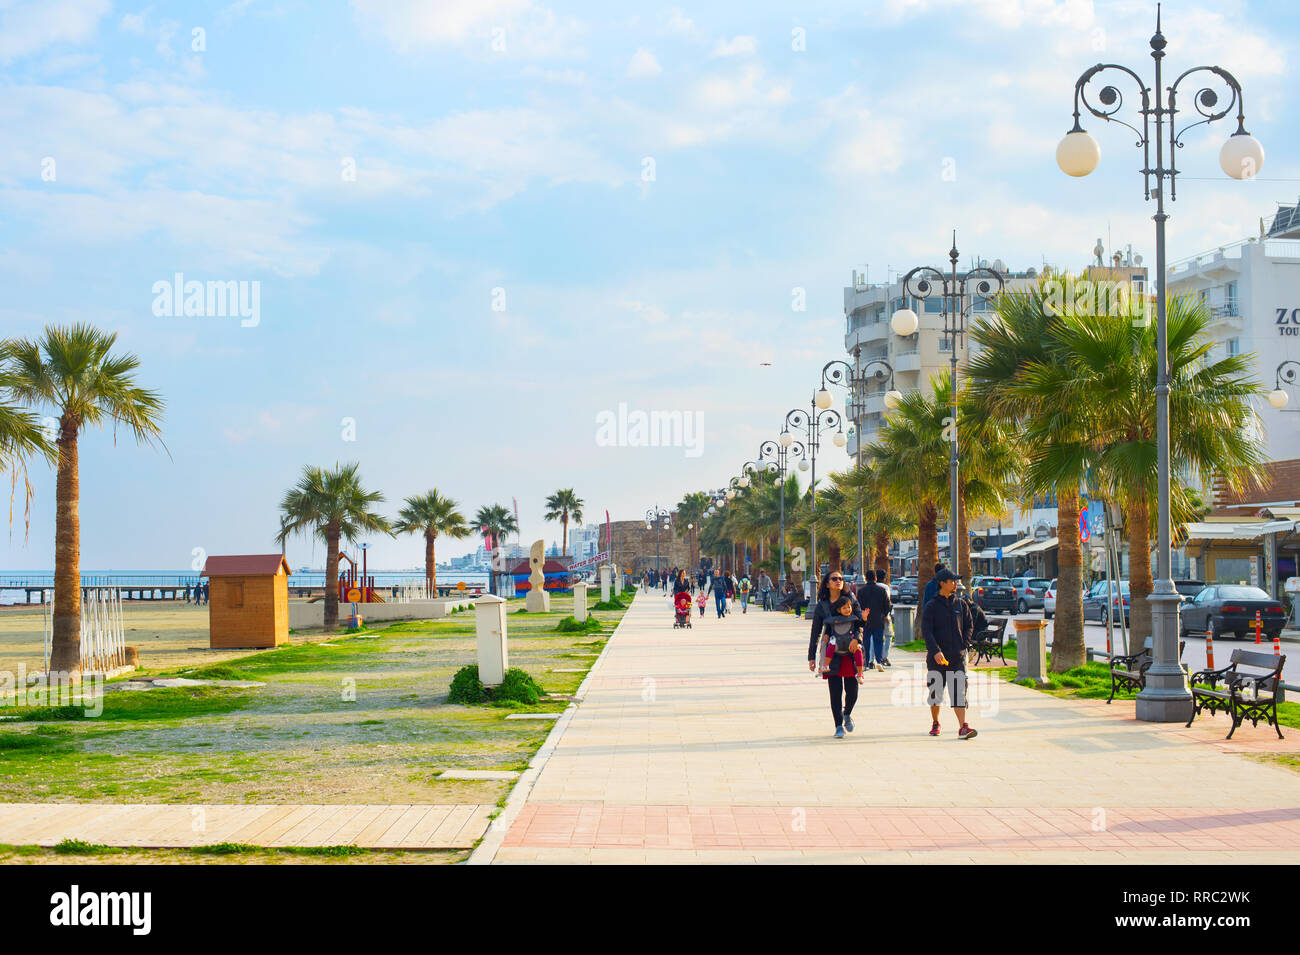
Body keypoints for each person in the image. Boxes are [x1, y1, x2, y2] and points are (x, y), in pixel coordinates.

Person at [921, 568, 977, 740]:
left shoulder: (960, 604)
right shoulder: (931, 606)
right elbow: (926, 631)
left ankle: (962, 727)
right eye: (952, 581)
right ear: (942, 583)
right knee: (936, 692)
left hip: (957, 657)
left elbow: (969, 625)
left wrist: (964, 645)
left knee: (959, 691)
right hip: (937, 659)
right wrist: (935, 651)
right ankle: (936, 722)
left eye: (955, 581)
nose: (955, 583)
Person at [808, 584, 865, 739]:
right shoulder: (823, 605)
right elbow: (816, 630)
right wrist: (811, 656)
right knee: (835, 691)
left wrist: (857, 640)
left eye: (840, 578)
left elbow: (860, 623)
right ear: (828, 583)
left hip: (850, 654)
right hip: (832, 655)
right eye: (834, 578)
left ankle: (846, 714)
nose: (838, 581)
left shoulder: (851, 599)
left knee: (852, 691)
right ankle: (838, 725)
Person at [856, 569, 892, 672]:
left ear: (866, 578)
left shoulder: (861, 591)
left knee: (866, 642)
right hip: (878, 620)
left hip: (866, 620)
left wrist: (862, 617)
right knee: (878, 641)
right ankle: (879, 662)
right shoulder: (881, 590)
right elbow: (887, 605)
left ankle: (866, 663)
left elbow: (858, 606)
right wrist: (883, 615)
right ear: (875, 578)